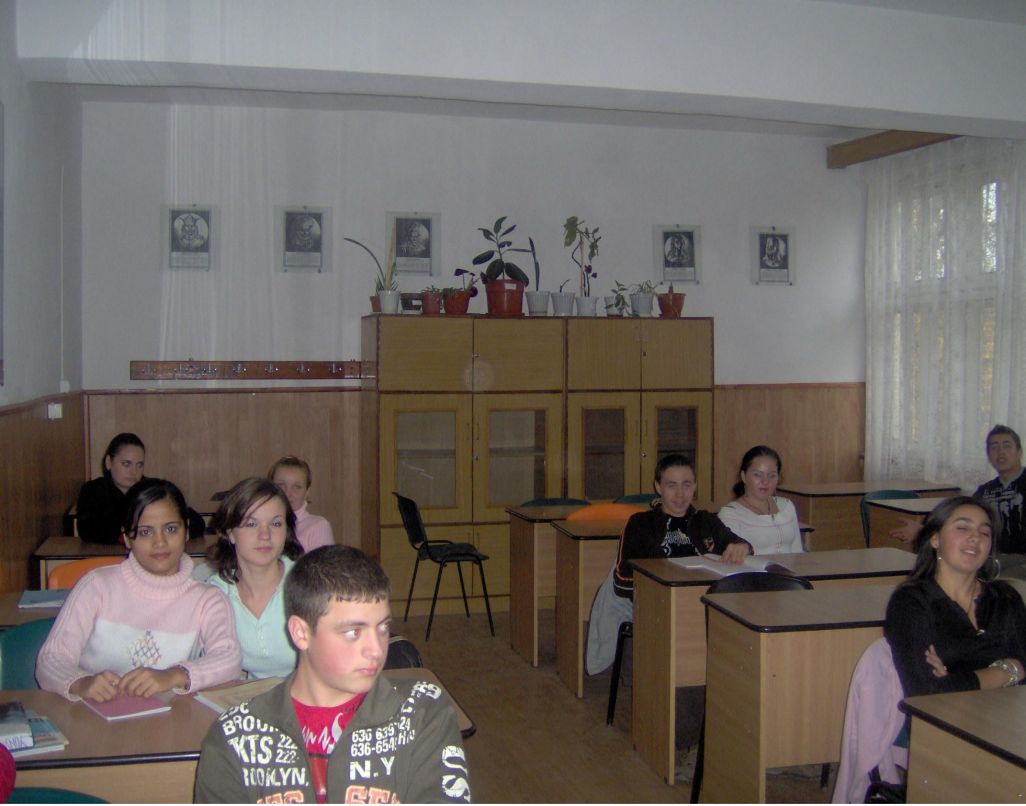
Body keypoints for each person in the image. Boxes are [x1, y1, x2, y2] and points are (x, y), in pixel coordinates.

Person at [194, 545, 470, 803]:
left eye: (383, 628)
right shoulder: (236, 736)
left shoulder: (420, 712)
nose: (376, 650)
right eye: (353, 632)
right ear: (301, 633)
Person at [36, 479, 241, 701]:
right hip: (97, 718)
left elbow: (229, 658)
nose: (159, 542)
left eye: (171, 529)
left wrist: (173, 675)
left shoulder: (207, 599)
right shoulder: (97, 586)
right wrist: (81, 682)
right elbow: (51, 658)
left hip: (171, 723)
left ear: (187, 531)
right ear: (126, 537)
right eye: (145, 532)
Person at [885, 495, 1026, 699]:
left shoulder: (1005, 598)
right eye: (962, 528)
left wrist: (954, 679)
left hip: (1004, 720)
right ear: (935, 539)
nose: (975, 537)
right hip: (942, 723)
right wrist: (1007, 671)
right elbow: (926, 691)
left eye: (984, 532)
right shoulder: (911, 602)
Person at [206, 477, 305, 679]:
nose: (265, 535)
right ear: (230, 533)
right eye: (251, 524)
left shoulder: (308, 582)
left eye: (276, 524)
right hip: (249, 699)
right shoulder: (215, 592)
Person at [890, 425, 1026, 568]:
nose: (1001, 452)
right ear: (988, 455)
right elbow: (959, 517)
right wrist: (923, 530)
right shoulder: (985, 491)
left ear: (1019, 452)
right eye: (994, 447)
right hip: (990, 559)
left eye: (1006, 446)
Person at [717, 445, 804, 555]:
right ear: (743, 476)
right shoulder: (730, 514)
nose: (765, 481)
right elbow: (729, 559)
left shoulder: (787, 506)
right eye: (757, 475)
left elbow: (798, 552)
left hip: (789, 571)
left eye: (772, 476)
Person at [75, 432, 146, 544]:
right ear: (109, 462)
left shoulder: (151, 489)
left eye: (139, 465)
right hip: (102, 555)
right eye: (126, 464)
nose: (134, 471)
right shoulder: (92, 490)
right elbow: (88, 531)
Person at [269, 455, 335, 552]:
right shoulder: (260, 526)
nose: (288, 493)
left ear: (307, 492)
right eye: (281, 485)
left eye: (297, 487)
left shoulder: (318, 526)